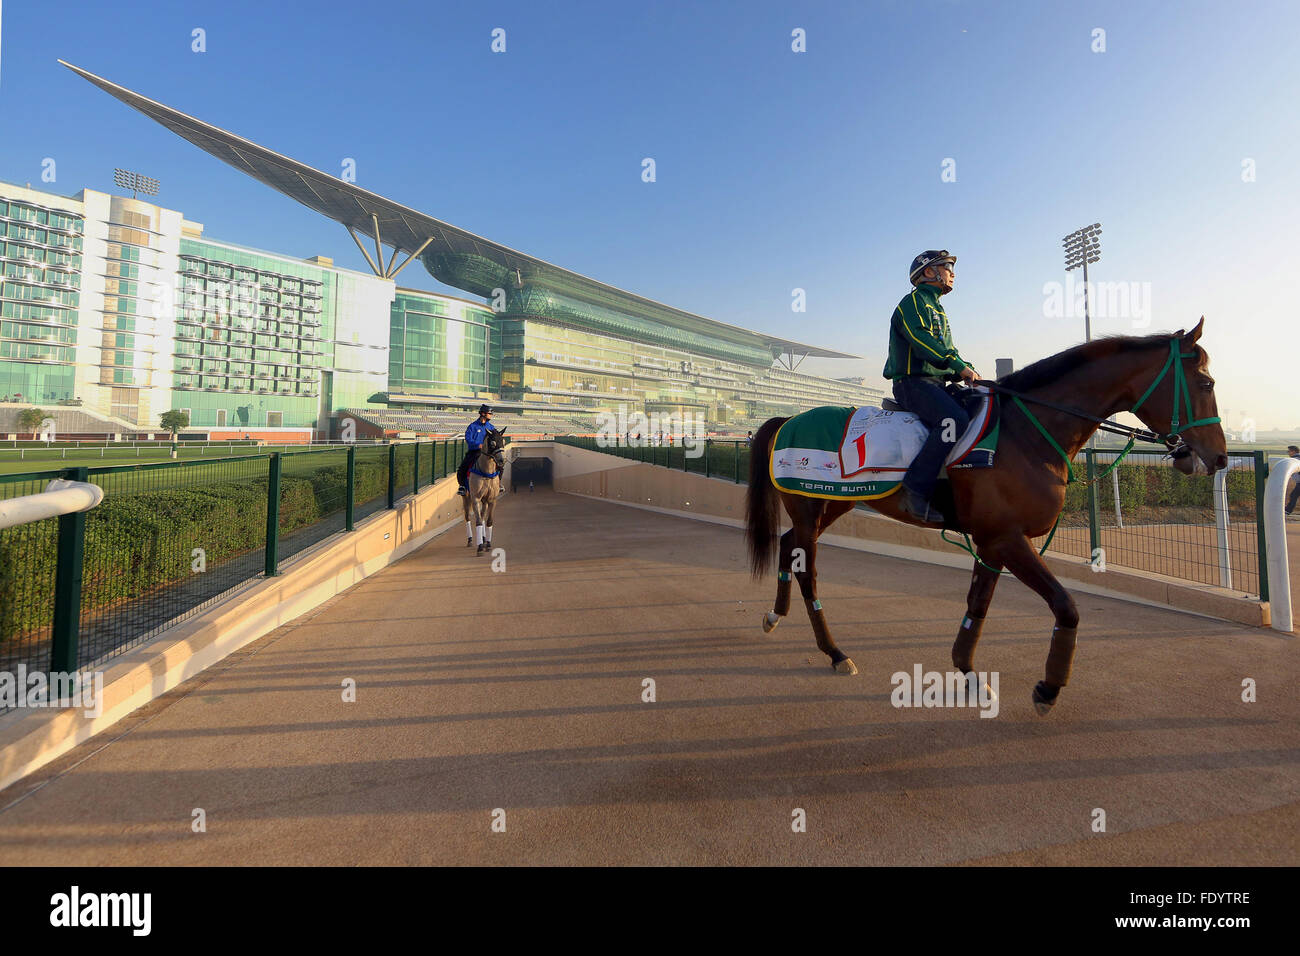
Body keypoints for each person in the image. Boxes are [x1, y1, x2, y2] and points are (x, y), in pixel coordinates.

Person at [883, 249, 978, 523]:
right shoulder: (913, 302)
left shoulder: (938, 308)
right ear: (929, 272)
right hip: (912, 384)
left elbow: (948, 350)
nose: (953, 273)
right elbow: (923, 342)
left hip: (935, 384)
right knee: (953, 419)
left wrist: (965, 369)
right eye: (948, 267)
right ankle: (915, 489)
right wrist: (958, 365)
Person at [457, 404, 499, 496]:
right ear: (483, 414)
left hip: (488, 453)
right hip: (475, 452)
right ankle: (462, 486)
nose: (491, 415)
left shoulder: (491, 427)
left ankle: (499, 485)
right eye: (489, 413)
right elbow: (468, 439)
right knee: (462, 468)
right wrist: (478, 445)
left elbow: (495, 438)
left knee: (500, 465)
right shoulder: (472, 426)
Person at [1287, 446, 1300, 516]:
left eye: (1289, 451)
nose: (1288, 453)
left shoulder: (1295, 460)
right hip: (1299, 483)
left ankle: (1287, 511)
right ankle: (1288, 510)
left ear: (1294, 451)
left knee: (1293, 496)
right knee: (1293, 495)